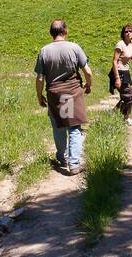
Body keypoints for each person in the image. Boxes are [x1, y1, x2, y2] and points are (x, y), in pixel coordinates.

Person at [34, 19, 92, 175]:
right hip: (72, 93)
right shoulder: (74, 47)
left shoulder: (44, 51)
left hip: (54, 94)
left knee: (58, 126)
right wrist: (89, 85)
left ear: (51, 33)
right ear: (65, 31)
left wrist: (39, 96)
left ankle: (62, 158)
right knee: (74, 128)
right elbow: (88, 72)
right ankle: (74, 164)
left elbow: (40, 78)